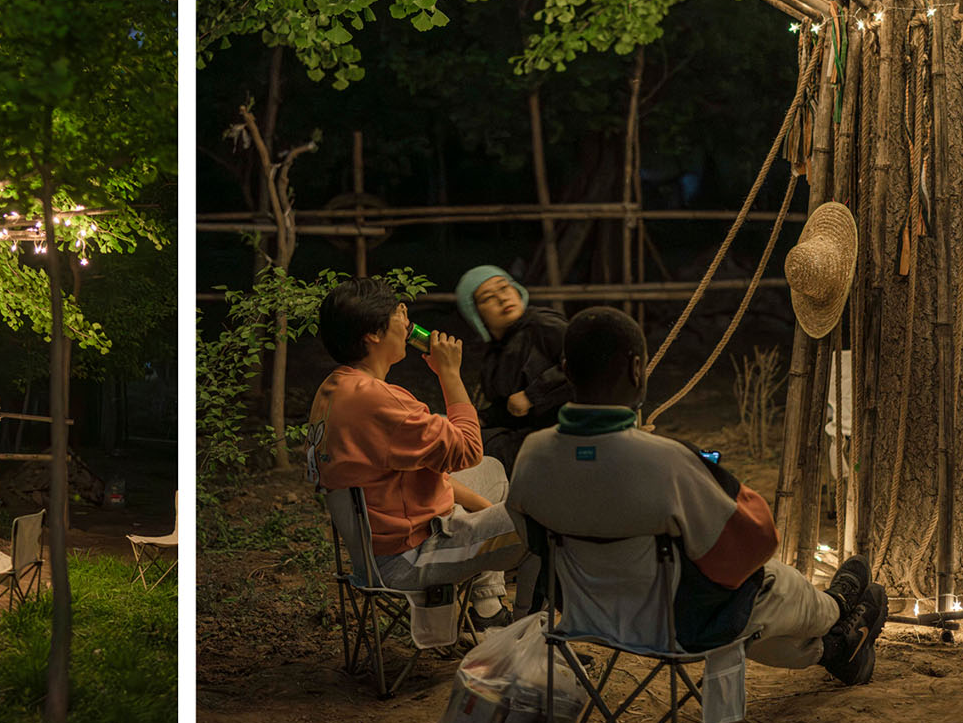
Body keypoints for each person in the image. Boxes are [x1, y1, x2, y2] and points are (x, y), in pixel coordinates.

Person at [506, 306, 888, 683]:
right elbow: (758, 542)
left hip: (584, 618)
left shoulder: (533, 454)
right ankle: (839, 609)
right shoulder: (666, 462)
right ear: (638, 370)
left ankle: (839, 649)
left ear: (566, 371)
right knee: (771, 584)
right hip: (679, 628)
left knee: (748, 607)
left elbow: (531, 539)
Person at [305, 277, 531, 624]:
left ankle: (486, 610)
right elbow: (468, 448)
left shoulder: (336, 388)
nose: (407, 317)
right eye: (399, 311)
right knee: (543, 522)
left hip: (377, 547)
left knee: (491, 470)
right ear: (374, 335)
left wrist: (487, 513)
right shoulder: (382, 402)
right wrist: (449, 374)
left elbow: (440, 469)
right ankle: (532, 636)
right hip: (412, 557)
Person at [455, 265, 570, 474]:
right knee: (462, 442)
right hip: (535, 433)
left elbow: (586, 363)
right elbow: (508, 406)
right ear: (475, 313)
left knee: (484, 453)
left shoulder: (543, 325)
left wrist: (532, 395)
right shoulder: (496, 352)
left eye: (505, 288)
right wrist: (483, 418)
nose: (502, 298)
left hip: (571, 432)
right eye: (488, 297)